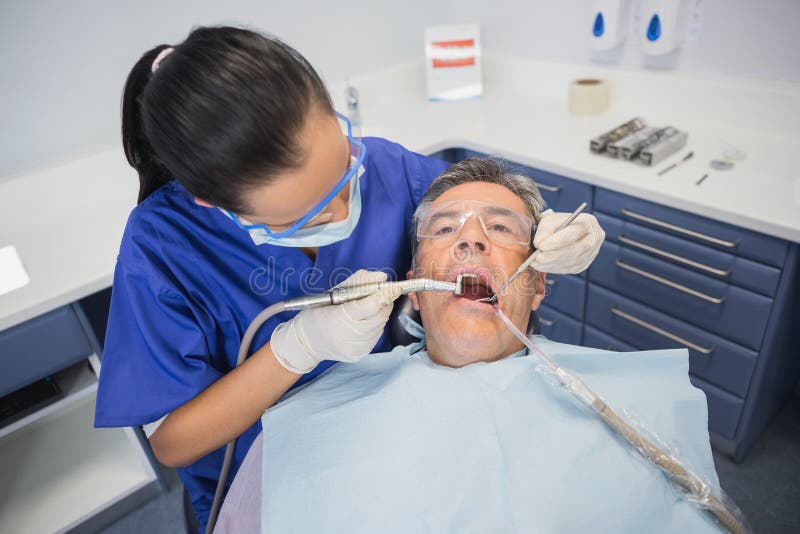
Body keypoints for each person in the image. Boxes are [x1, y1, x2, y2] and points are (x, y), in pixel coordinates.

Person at [93, 26, 605, 531]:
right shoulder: (164, 246)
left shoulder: (386, 167)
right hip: (274, 481)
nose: (346, 209)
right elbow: (172, 442)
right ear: (214, 203)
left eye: (345, 168)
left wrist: (548, 230)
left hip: (398, 436)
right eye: (312, 215)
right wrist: (297, 348)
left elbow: (474, 207)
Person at [215, 159, 723, 533]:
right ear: (414, 286)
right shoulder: (310, 425)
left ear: (538, 283)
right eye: (444, 227)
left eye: (500, 226)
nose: (471, 239)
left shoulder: (639, 417)